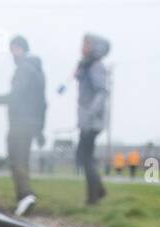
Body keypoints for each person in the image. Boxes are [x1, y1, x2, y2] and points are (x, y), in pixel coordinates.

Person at [0, 34, 46, 216]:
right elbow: (43, 103)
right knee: (21, 160)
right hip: (31, 123)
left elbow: (14, 97)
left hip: (19, 122)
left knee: (17, 160)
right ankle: (25, 196)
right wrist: (40, 128)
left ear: (20, 48)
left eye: (13, 50)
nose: (12, 55)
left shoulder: (24, 70)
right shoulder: (37, 71)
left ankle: (25, 196)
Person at [58, 32, 110, 205]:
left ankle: (94, 196)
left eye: (85, 44)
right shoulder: (85, 65)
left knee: (84, 155)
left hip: (92, 119)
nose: (81, 48)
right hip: (86, 118)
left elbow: (102, 92)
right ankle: (97, 191)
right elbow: (74, 80)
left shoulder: (96, 66)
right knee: (85, 155)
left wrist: (90, 113)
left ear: (93, 47)